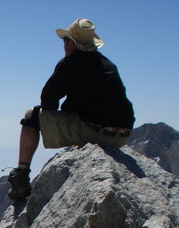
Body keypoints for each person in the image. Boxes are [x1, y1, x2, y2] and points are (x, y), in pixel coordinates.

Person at [8, 18, 135, 202]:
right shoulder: (108, 64)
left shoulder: (70, 63)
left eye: (65, 40)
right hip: (123, 135)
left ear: (72, 43)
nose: (64, 44)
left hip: (95, 131)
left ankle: (21, 176)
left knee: (31, 116)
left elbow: (48, 100)